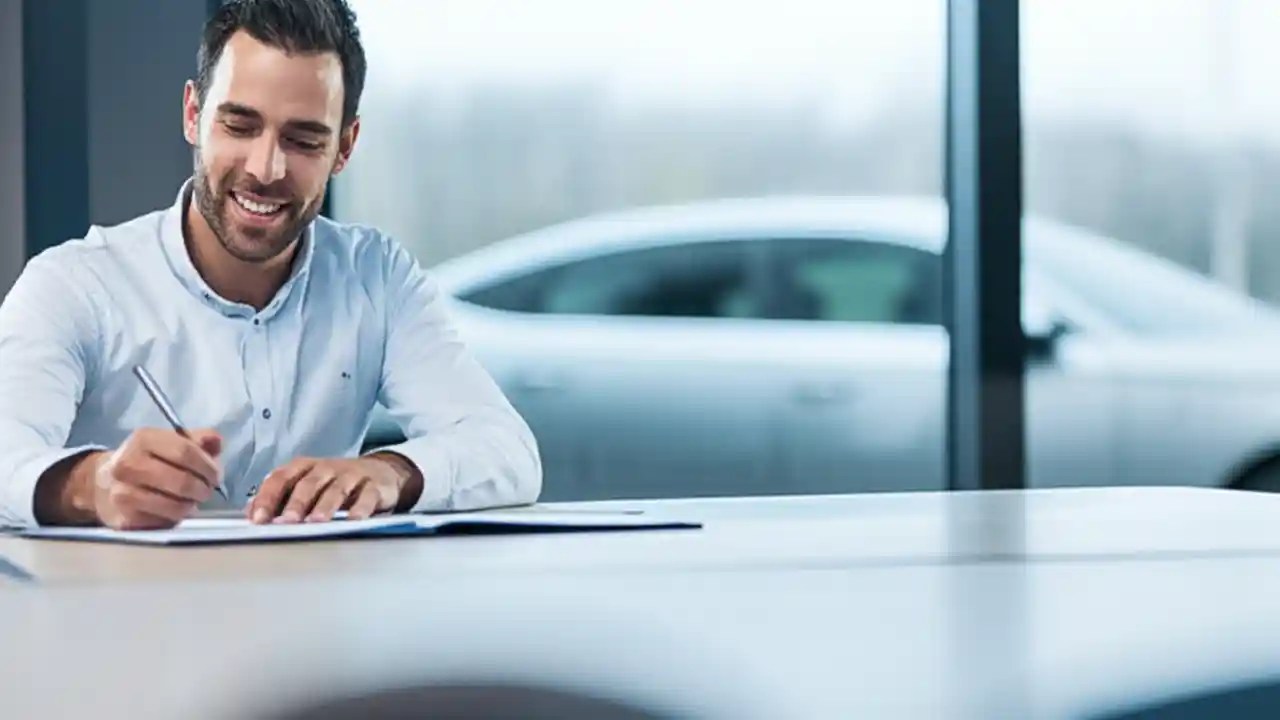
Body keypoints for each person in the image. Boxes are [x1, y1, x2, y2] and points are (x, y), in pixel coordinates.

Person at [0, 0, 541, 530]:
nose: (265, 168)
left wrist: (389, 473)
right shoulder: (74, 286)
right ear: (194, 114)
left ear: (344, 148)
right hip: (111, 613)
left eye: (303, 140)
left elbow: (507, 451)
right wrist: (92, 486)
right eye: (239, 127)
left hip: (316, 615)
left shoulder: (377, 278)